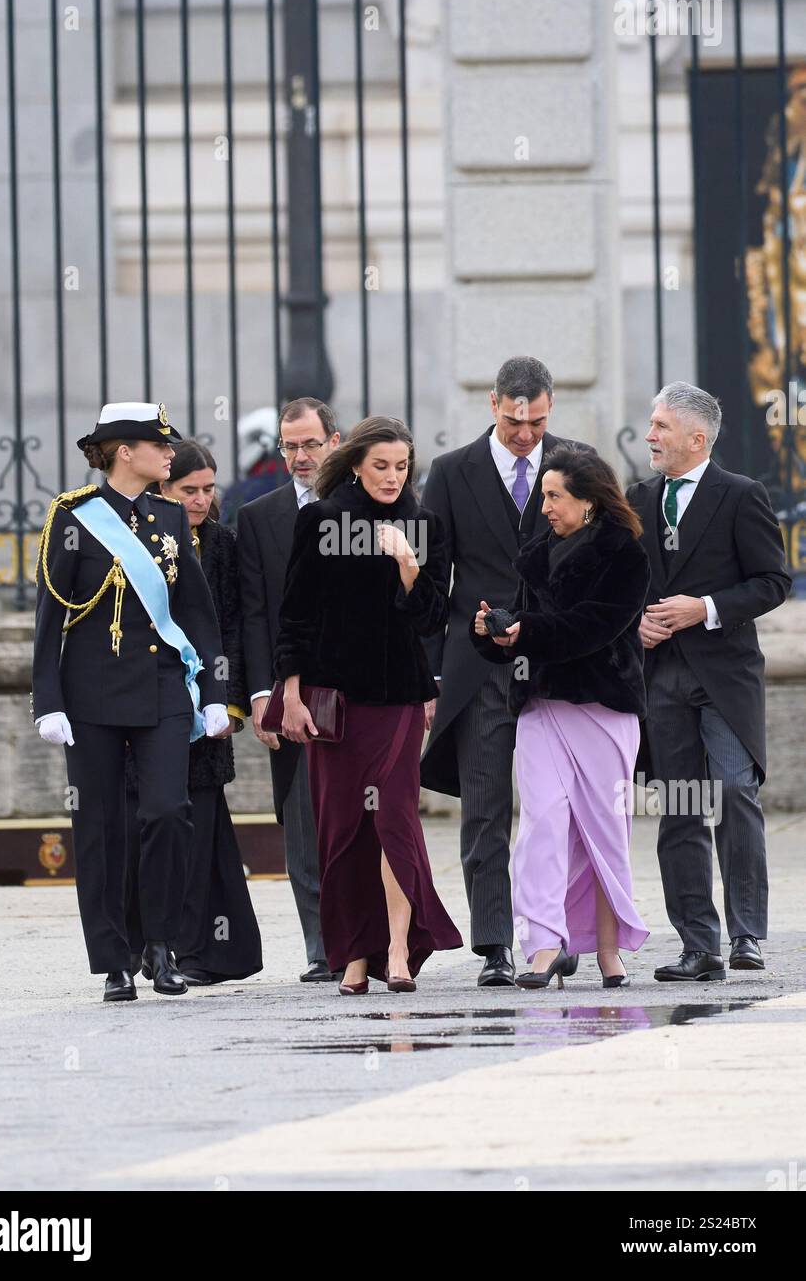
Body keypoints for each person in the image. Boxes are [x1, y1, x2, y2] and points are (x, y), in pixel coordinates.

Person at [32, 402, 230, 1003]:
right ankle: (114, 958)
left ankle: (162, 947)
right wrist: (48, 700)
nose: (170, 454)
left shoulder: (169, 516)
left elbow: (196, 610)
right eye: (159, 445)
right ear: (124, 452)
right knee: (100, 827)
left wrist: (216, 692)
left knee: (168, 812)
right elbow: (50, 617)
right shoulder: (74, 518)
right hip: (90, 696)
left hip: (164, 690)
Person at [274, 416, 463, 993]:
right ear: (355, 463)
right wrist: (289, 694)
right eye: (380, 465)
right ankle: (356, 955)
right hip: (336, 703)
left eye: (401, 466)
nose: (391, 476)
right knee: (345, 830)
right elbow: (295, 615)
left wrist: (409, 569)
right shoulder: (322, 519)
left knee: (396, 823)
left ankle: (400, 951)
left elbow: (433, 618)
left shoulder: (422, 523)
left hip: (401, 699)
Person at [420, 356, 593, 987]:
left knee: (562, 807)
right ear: (493, 404)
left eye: (538, 421)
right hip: (482, 662)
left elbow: (603, 554)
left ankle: (557, 934)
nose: (526, 434)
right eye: (515, 421)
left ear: (551, 408)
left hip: (558, 659)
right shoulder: (450, 472)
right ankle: (494, 942)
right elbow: (433, 582)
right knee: (486, 807)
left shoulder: (577, 460)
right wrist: (430, 676)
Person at [627, 383, 791, 983]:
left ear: (697, 438)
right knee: (679, 808)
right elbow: (620, 581)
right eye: (651, 424)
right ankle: (699, 945)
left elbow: (772, 581)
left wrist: (706, 607)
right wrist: (634, 623)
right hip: (660, 680)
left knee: (732, 795)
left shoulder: (741, 496)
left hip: (723, 676)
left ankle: (746, 934)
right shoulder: (637, 500)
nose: (650, 435)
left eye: (661, 426)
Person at [471, 447, 651, 989]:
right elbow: (529, 633)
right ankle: (544, 945)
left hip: (603, 710)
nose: (544, 505)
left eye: (555, 496)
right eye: (544, 495)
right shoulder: (536, 555)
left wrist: (526, 631)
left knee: (602, 834)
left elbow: (592, 628)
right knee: (542, 824)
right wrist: (496, 636)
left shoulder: (627, 556)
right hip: (541, 708)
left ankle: (609, 952)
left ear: (589, 503)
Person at [125, 440, 262, 986]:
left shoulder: (223, 546)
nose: (201, 500)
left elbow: (234, 624)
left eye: (209, 489)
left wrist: (225, 698)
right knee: (153, 822)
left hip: (207, 710)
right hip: (150, 705)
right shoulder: (134, 540)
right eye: (189, 491)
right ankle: (149, 944)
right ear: (162, 489)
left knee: (201, 823)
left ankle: (204, 951)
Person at [236, 397, 340, 982]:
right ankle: (320, 947)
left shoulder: (366, 507)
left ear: (333, 440)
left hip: (357, 690)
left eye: (309, 444)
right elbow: (254, 615)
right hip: (290, 694)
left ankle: (362, 940)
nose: (300, 456)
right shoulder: (258, 517)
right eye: (290, 446)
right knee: (300, 821)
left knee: (361, 819)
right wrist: (259, 696)